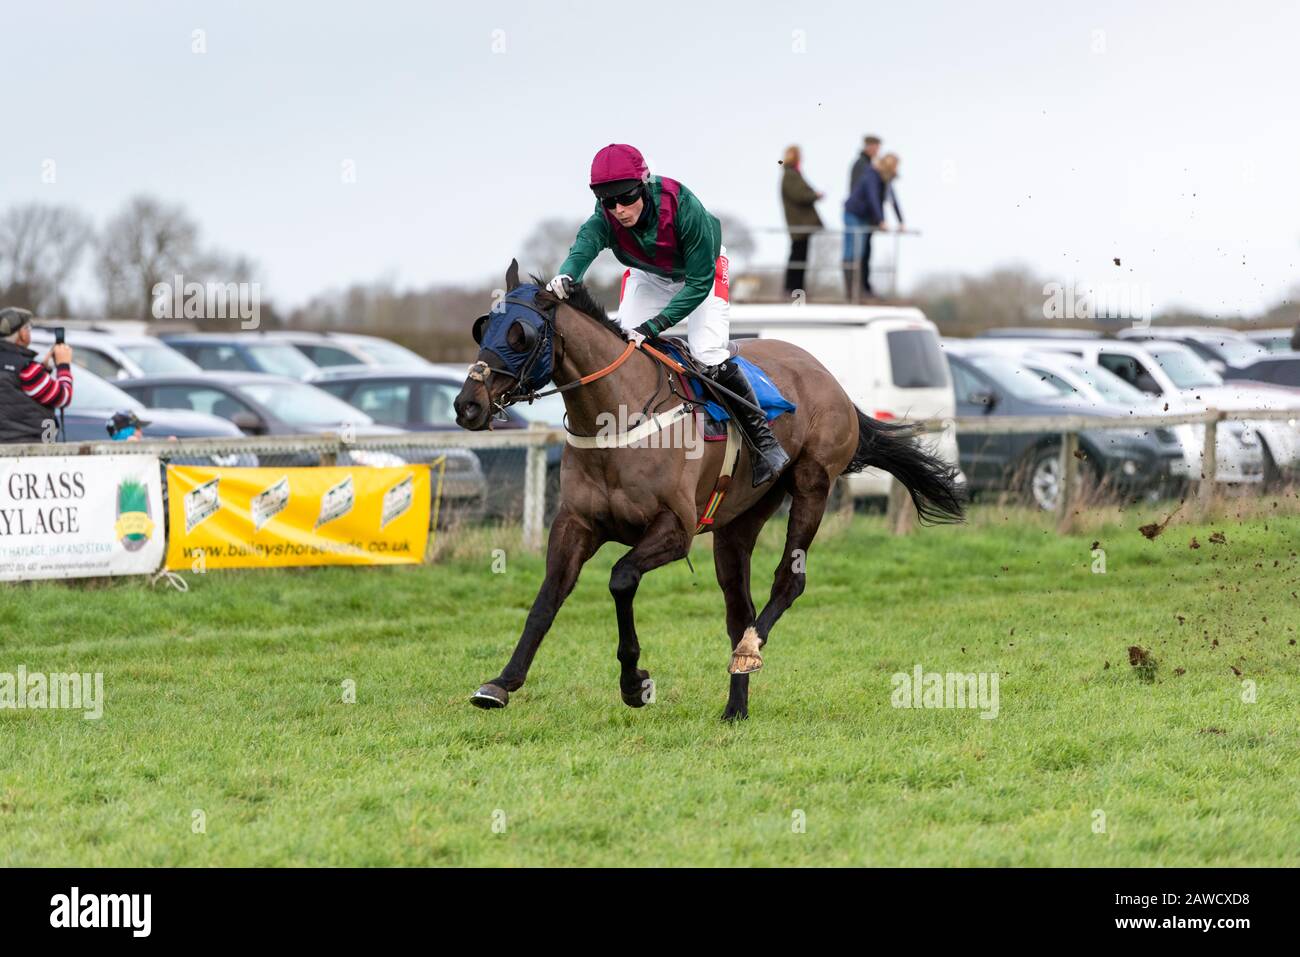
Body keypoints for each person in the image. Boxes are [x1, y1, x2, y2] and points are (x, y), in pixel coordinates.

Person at [547, 143, 790, 485]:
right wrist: (567, 274)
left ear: (643, 184)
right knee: (621, 350)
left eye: (625, 197)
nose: (618, 209)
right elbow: (585, 245)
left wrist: (653, 326)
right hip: (648, 275)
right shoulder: (606, 216)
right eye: (607, 201)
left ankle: (765, 444)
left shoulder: (683, 207)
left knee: (707, 353)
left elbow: (699, 283)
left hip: (699, 273)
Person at [0, 307, 74, 444]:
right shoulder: (27, 370)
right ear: (22, 334)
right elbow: (63, 397)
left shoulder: (27, 370)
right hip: (26, 451)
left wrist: (43, 368)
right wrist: (64, 366)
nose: (29, 332)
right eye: (28, 328)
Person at [780, 145, 823, 297]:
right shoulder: (791, 174)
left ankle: (796, 289)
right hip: (798, 223)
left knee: (800, 256)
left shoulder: (793, 173)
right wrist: (814, 195)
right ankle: (792, 289)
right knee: (797, 256)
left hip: (801, 223)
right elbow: (799, 195)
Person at [843, 135, 881, 298]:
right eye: (876, 147)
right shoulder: (861, 165)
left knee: (863, 252)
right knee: (853, 252)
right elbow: (867, 193)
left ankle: (861, 288)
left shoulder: (868, 165)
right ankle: (853, 290)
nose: (878, 151)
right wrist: (878, 217)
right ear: (869, 146)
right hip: (856, 213)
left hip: (864, 215)